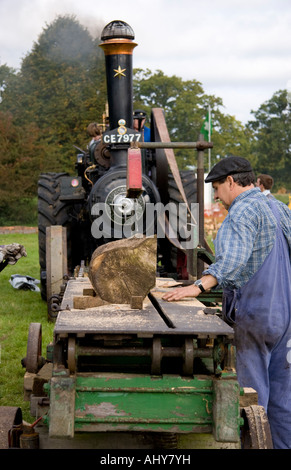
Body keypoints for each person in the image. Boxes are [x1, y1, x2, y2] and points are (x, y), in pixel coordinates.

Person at [162, 156, 291, 449]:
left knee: (251, 399)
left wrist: (199, 286)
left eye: (218, 188)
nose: (217, 197)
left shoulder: (242, 212)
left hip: (257, 317)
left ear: (232, 182)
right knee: (284, 399)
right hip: (286, 318)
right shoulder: (279, 208)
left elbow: (232, 260)